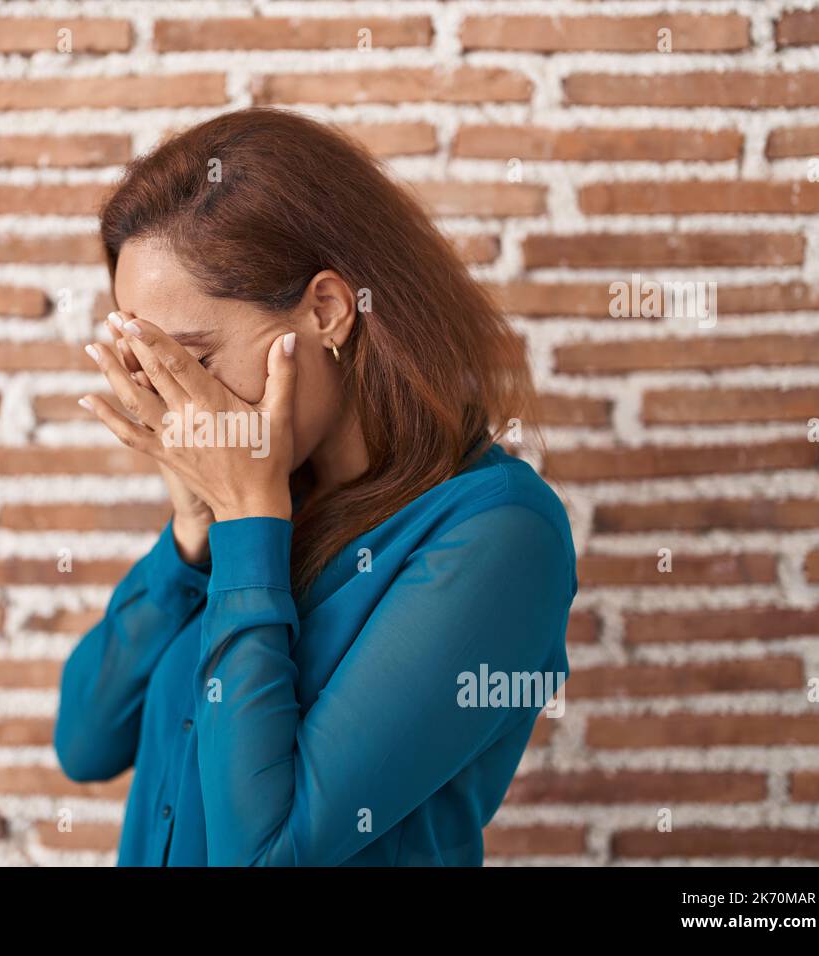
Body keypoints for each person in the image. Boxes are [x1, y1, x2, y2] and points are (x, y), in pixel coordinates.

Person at [54, 107, 577, 866]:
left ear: (328, 312)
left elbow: (267, 853)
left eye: (192, 359)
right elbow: (86, 740)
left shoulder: (499, 535)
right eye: (151, 366)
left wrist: (245, 516)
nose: (178, 404)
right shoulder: (263, 498)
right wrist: (193, 534)